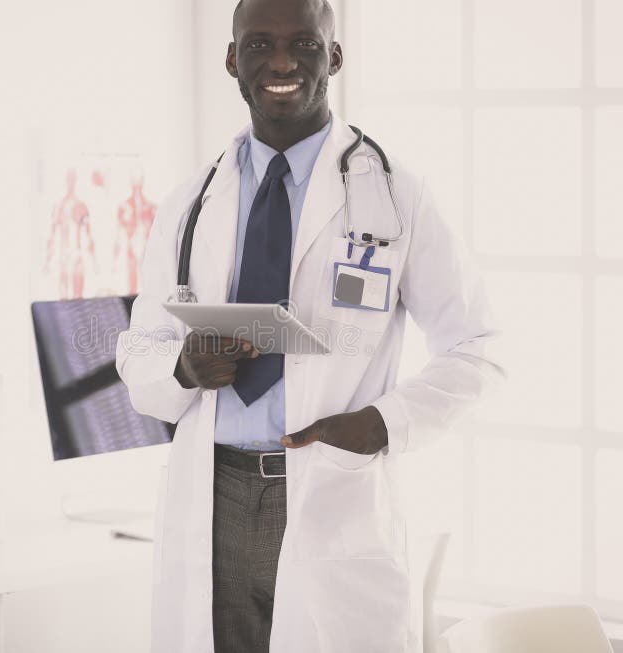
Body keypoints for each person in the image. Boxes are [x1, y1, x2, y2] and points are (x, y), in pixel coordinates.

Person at [116, 0, 505, 651]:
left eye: (304, 43)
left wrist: (382, 423)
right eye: (260, 43)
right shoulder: (190, 202)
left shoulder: (396, 194)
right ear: (232, 59)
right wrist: (181, 367)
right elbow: (139, 348)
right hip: (213, 496)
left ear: (335, 55)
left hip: (331, 489)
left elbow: (479, 346)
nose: (281, 61)